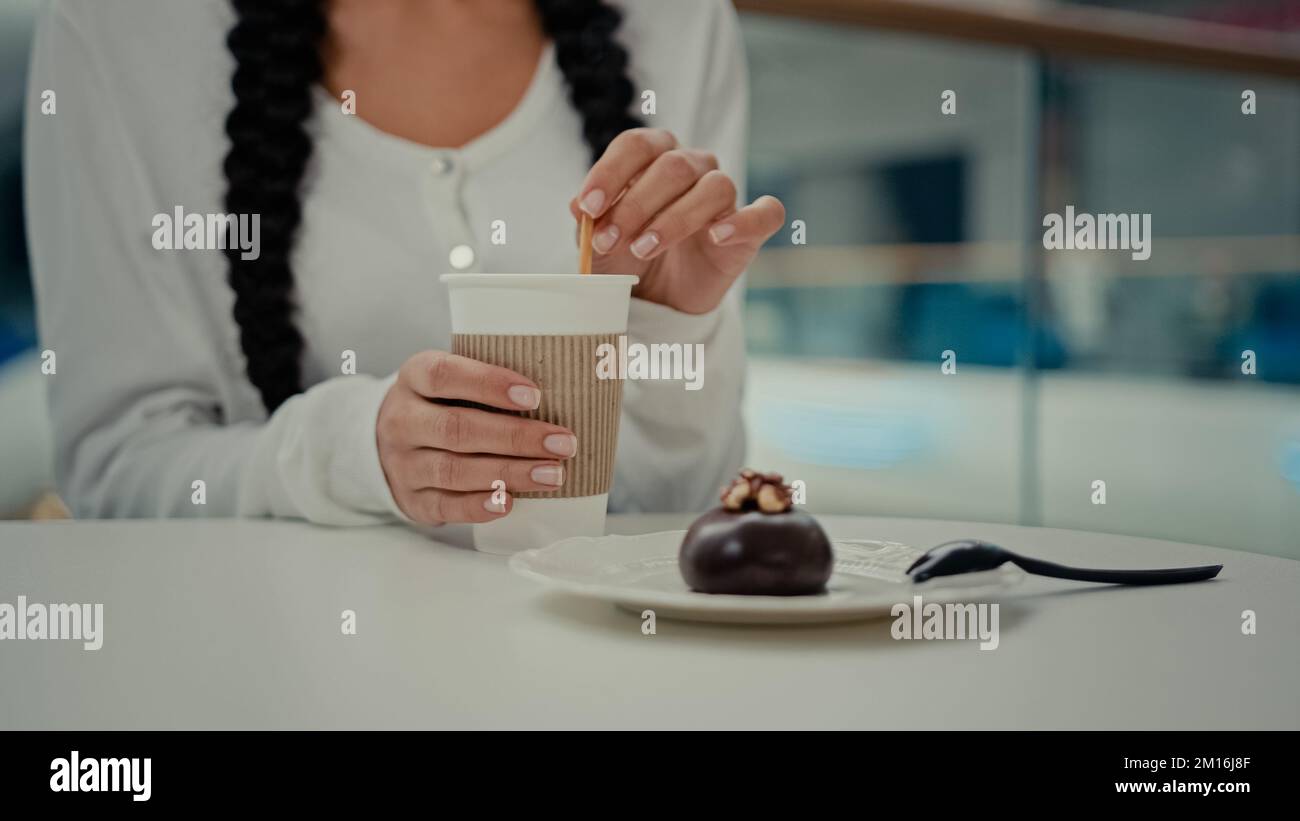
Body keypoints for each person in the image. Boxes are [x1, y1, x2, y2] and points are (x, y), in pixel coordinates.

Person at [25, 0, 784, 526]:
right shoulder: (116, 29)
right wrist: (356, 454)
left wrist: (663, 326)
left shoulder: (680, 20)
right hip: (265, 668)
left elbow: (678, 501)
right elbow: (116, 469)